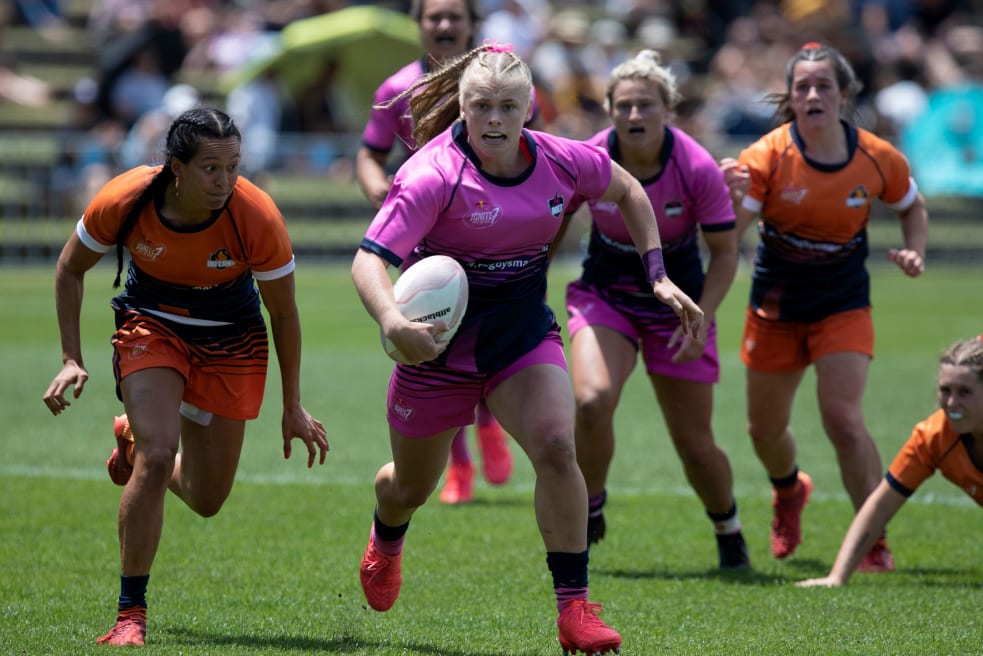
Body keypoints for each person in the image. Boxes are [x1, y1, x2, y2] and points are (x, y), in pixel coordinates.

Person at [350, 44, 705, 654]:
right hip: (435, 350)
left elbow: (629, 192)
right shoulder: (432, 175)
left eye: (508, 106)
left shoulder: (563, 160)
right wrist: (393, 322)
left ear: (529, 109)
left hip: (519, 335)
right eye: (481, 105)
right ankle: (387, 532)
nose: (494, 118)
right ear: (461, 108)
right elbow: (369, 260)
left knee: (558, 447)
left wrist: (657, 273)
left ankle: (575, 611)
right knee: (409, 486)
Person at [41, 107, 329, 647]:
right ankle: (131, 612)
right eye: (210, 169)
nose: (224, 182)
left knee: (206, 497)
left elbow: (284, 314)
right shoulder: (125, 198)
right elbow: (70, 267)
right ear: (176, 166)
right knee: (156, 455)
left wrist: (292, 405)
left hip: (231, 337)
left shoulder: (256, 216)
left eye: (233, 167)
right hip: (150, 325)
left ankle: (128, 437)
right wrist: (70, 357)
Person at [720, 41, 928, 569]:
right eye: (802, 87)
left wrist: (914, 251)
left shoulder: (877, 157)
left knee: (843, 419)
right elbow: (726, 238)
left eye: (823, 86)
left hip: (842, 304)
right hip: (776, 305)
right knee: (762, 431)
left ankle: (872, 543)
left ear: (844, 95)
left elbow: (911, 205)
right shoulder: (766, 156)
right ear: (791, 98)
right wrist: (728, 197)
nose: (812, 95)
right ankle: (789, 490)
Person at [567, 50, 749, 569]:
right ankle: (592, 502)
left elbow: (726, 251)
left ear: (667, 108)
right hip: (606, 297)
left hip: (681, 309)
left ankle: (728, 528)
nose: (634, 116)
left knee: (694, 445)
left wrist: (704, 319)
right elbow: (553, 219)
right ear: (608, 110)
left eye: (645, 104)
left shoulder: (694, 167)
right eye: (623, 105)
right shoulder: (590, 158)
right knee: (592, 400)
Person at [355, 0, 516, 504]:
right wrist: (379, 188)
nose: (444, 26)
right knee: (439, 348)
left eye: (454, 17)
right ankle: (461, 467)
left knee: (495, 344)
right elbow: (369, 154)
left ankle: (490, 423)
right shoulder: (397, 90)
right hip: (431, 245)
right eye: (434, 17)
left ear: (472, 24)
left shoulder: (501, 74)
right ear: (418, 24)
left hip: (498, 232)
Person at [798, 334, 983, 586]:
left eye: (964, 392)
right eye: (945, 391)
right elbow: (880, 505)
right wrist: (837, 577)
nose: (951, 403)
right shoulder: (934, 437)